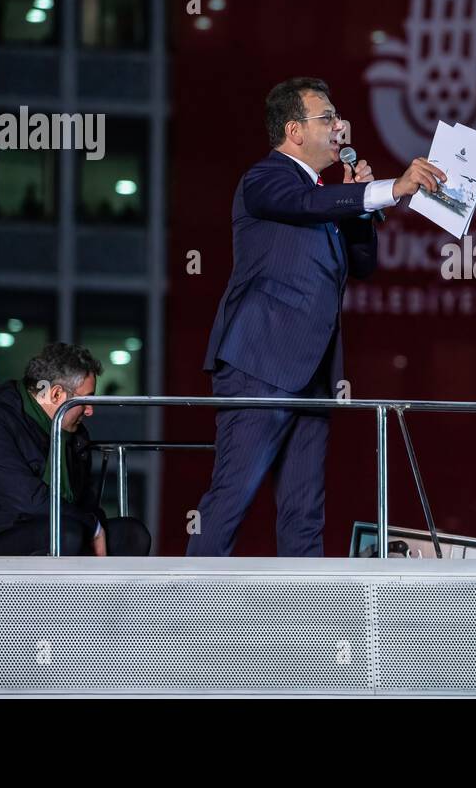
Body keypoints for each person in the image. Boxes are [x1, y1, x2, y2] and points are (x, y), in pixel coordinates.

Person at [190, 77, 445, 557]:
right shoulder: (266, 178)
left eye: (337, 116)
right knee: (230, 498)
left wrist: (360, 205)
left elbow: (363, 266)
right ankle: (182, 623)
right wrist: (390, 189)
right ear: (294, 130)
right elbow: (306, 204)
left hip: (312, 372)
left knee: (304, 511)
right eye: (327, 118)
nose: (339, 127)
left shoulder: (326, 197)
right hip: (260, 362)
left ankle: (307, 627)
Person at [0, 343, 150, 556]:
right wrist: (92, 526)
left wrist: (93, 523)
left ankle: (98, 589)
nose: (90, 411)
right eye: (86, 400)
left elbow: (85, 502)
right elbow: (29, 500)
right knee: (66, 534)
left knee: (132, 534)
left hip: (53, 527)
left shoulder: (75, 433)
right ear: (56, 394)